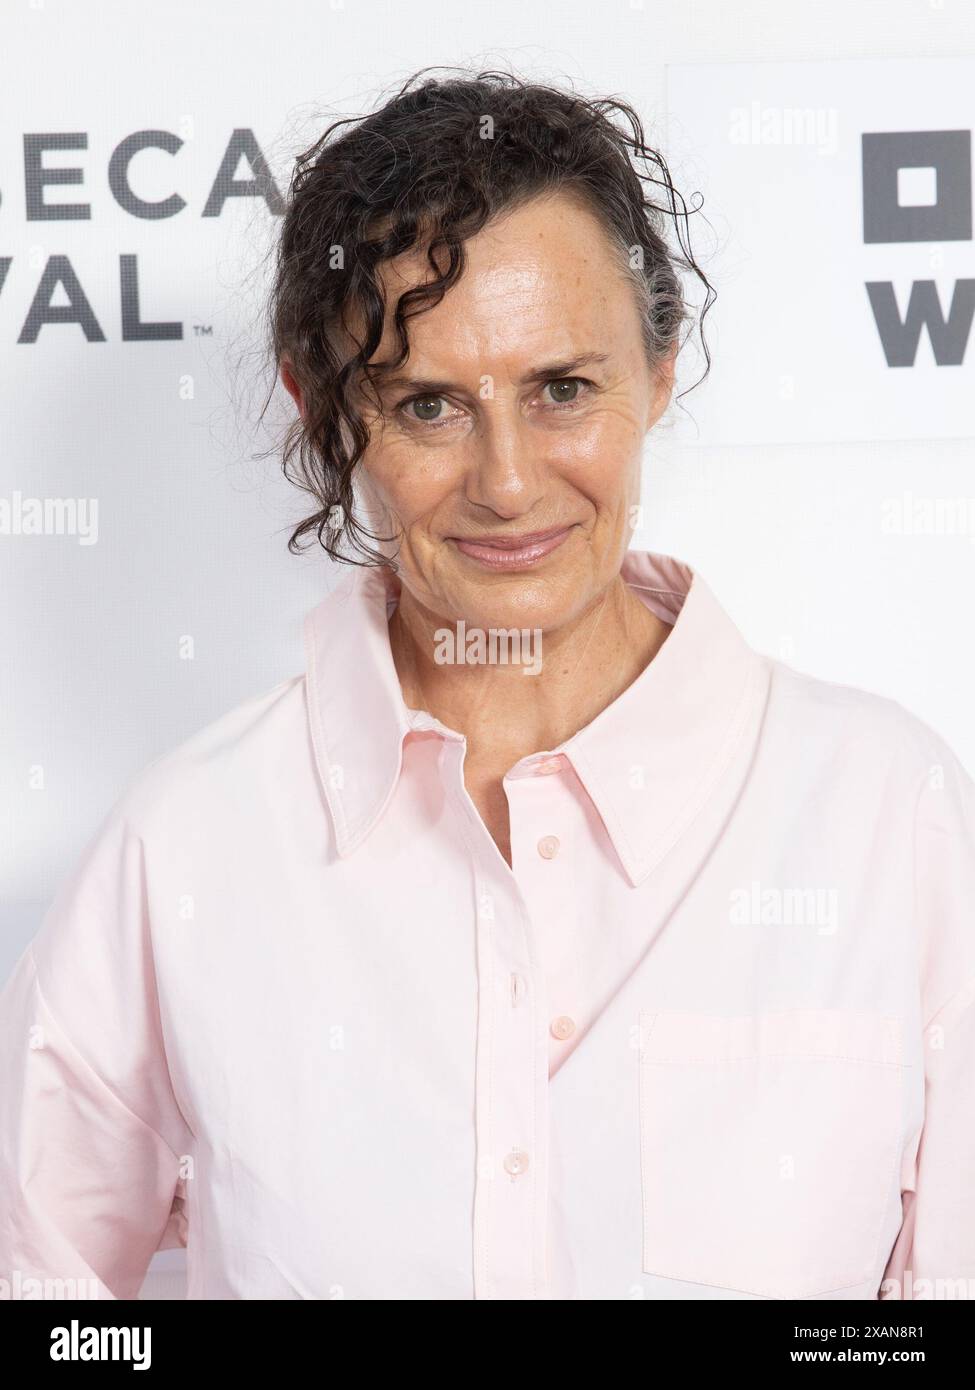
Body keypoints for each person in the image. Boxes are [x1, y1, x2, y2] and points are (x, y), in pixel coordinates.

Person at [2, 69, 973, 1302]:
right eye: (428, 406)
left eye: (563, 389)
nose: (508, 483)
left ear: (659, 372)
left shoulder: (893, 817)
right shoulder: (184, 852)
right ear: (326, 408)